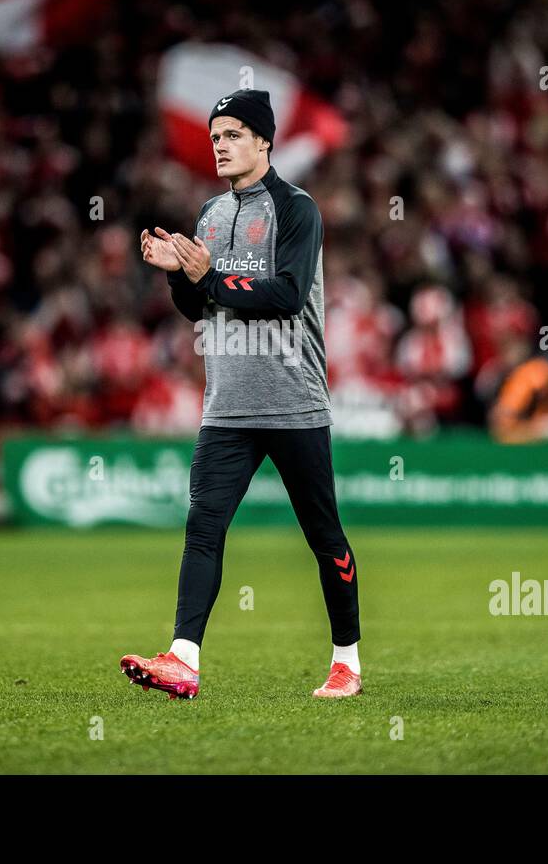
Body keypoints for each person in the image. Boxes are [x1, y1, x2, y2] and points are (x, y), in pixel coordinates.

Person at [122, 89, 362, 700]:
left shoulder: (298, 209)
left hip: (292, 401)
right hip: (226, 406)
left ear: (264, 141)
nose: (220, 146)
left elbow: (284, 294)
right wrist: (179, 272)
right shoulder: (208, 215)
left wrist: (208, 275)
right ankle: (183, 659)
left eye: (232, 135)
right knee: (203, 530)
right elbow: (198, 306)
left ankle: (347, 662)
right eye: (215, 137)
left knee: (325, 538)